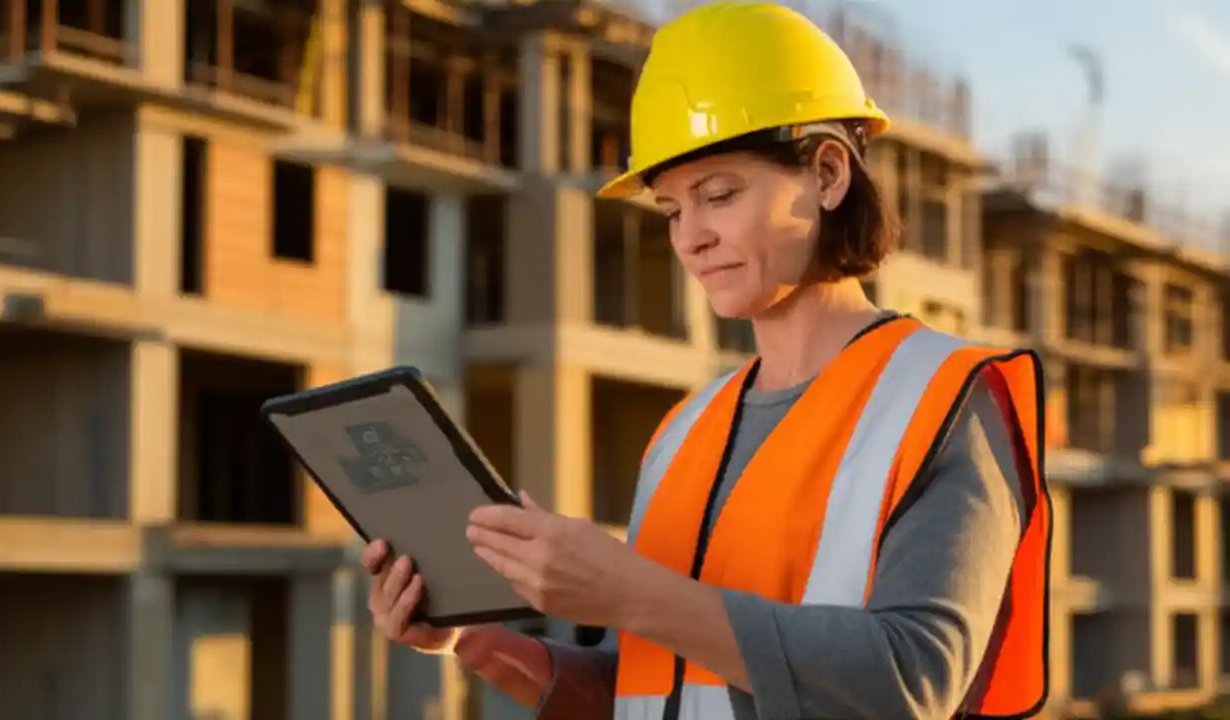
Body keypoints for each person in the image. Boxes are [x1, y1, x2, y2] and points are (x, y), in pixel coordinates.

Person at [362, 2, 1051, 719]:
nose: (691, 237)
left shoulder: (942, 397)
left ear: (827, 174)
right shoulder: (682, 435)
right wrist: (471, 638)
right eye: (670, 211)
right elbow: (646, 688)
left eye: (719, 195)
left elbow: (913, 679)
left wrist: (626, 587)